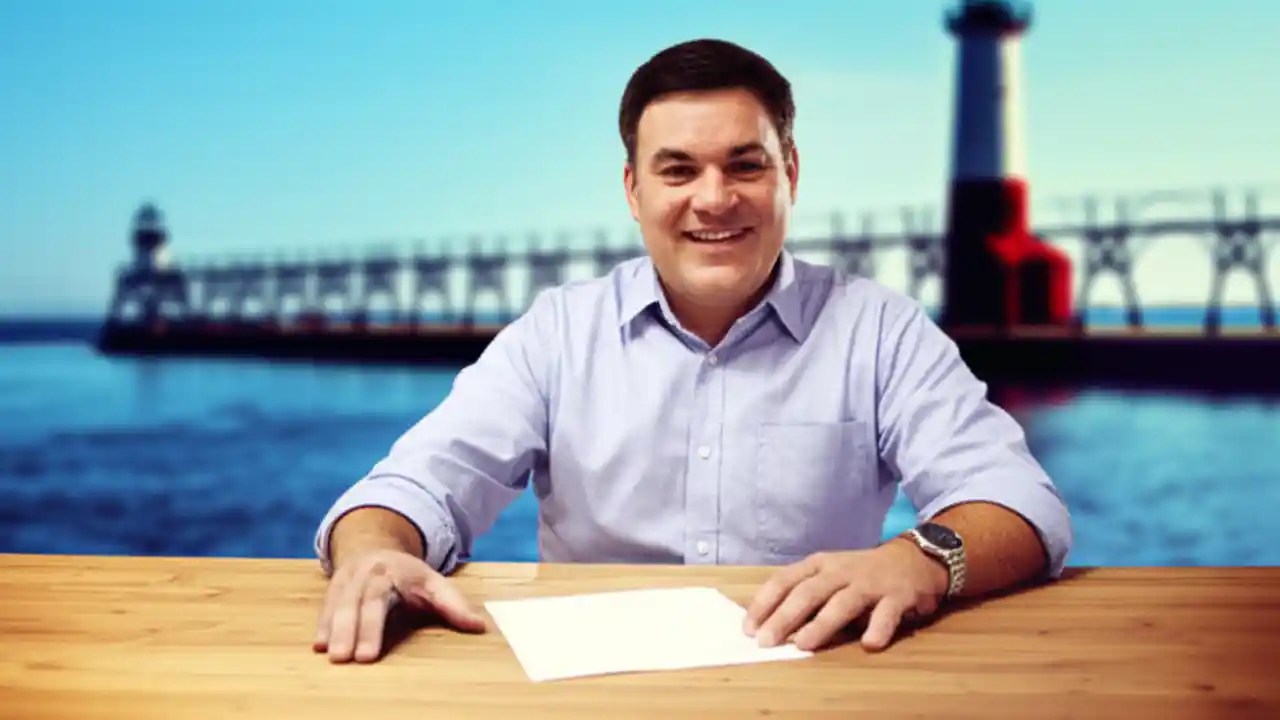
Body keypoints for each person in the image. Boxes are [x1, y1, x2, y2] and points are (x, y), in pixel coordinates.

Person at [311, 38, 1072, 664]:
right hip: (590, 694)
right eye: (678, 170)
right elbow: (416, 485)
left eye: (746, 164)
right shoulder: (557, 334)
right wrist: (376, 552)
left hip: (816, 684)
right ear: (633, 189)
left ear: (790, 175)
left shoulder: (881, 330)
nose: (714, 199)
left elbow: (1022, 503)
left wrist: (919, 558)